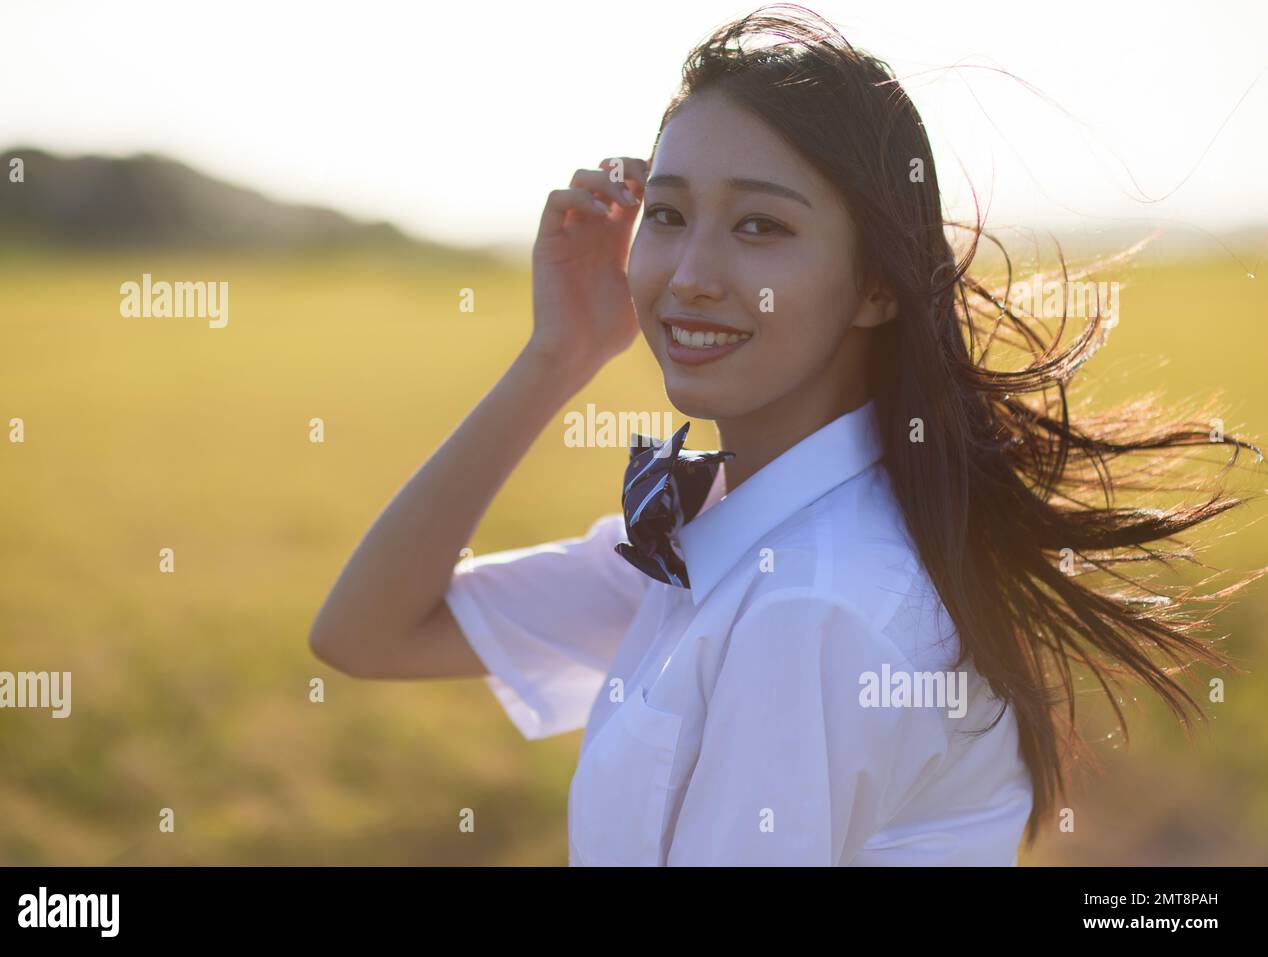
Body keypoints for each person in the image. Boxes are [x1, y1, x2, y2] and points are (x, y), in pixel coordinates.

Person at [309, 3, 1263, 866]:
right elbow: (365, 631)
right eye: (670, 215)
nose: (688, 273)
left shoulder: (808, 604)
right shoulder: (724, 531)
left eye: (760, 226)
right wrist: (557, 357)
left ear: (878, 285)